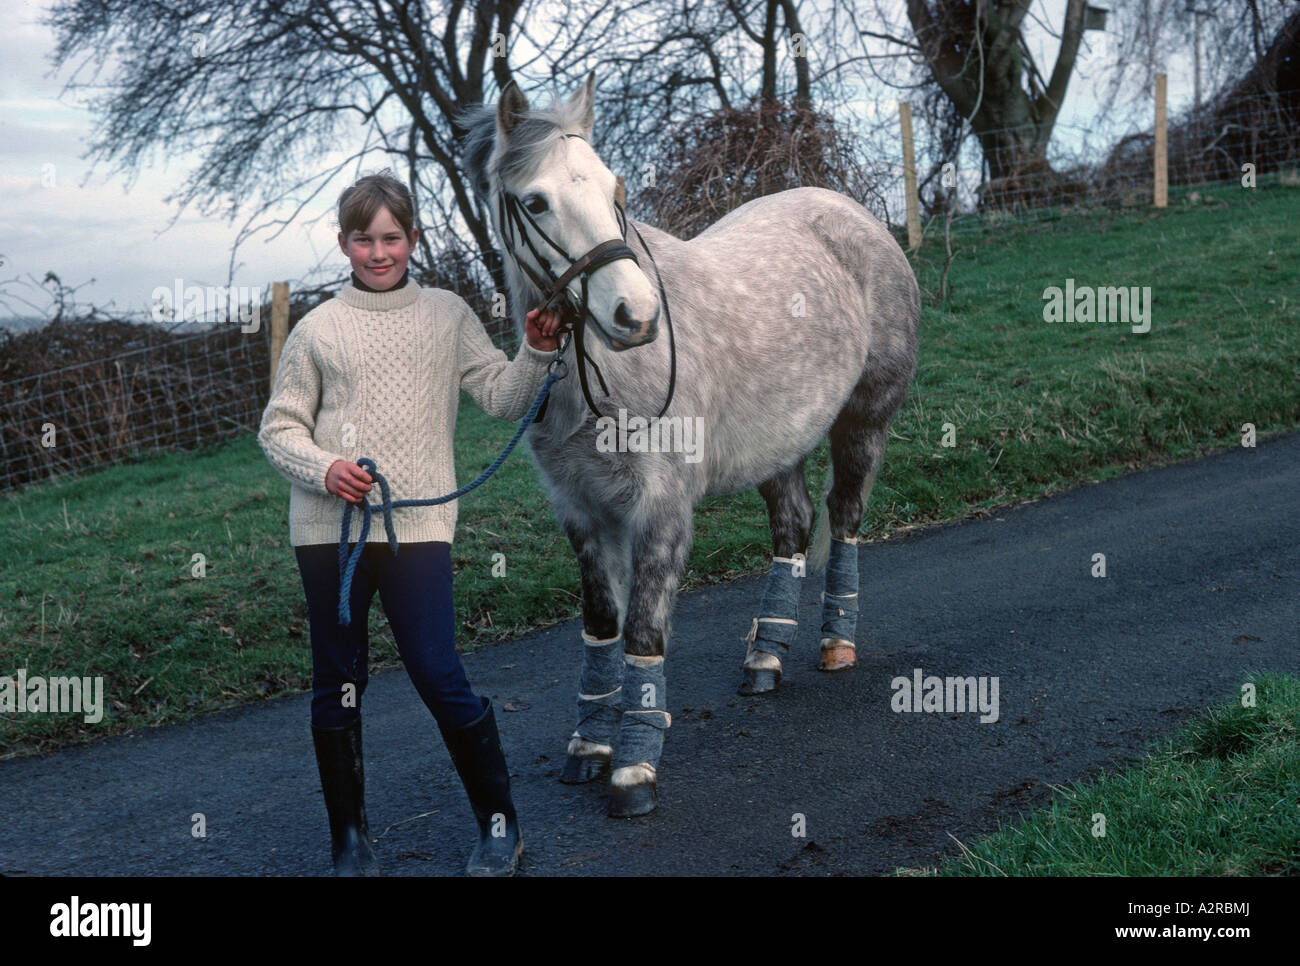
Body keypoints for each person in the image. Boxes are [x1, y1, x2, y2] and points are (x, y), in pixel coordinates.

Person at [257, 169, 563, 876]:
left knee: (437, 670)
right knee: (338, 680)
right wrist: (325, 467)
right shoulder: (317, 329)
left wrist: (537, 351)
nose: (379, 251)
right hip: (327, 531)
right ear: (343, 244)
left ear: (414, 239)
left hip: (417, 525)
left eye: (392, 237)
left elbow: (500, 395)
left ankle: (499, 828)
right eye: (364, 239)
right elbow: (279, 431)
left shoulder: (449, 315)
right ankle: (351, 843)